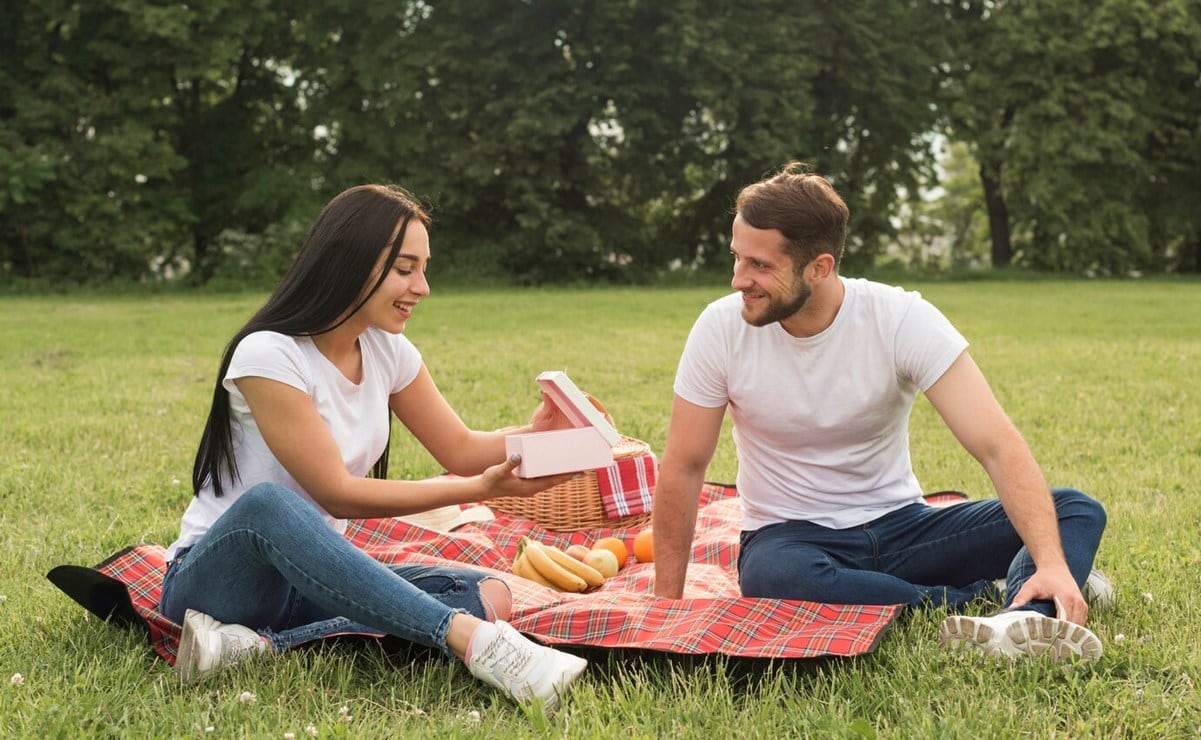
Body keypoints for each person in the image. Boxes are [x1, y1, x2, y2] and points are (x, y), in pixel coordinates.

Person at [652, 163, 1109, 661]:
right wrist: (666, 605)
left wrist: (1048, 559)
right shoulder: (720, 329)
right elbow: (685, 465)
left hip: (904, 527)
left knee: (1074, 509)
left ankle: (1027, 618)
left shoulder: (899, 318)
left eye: (760, 266)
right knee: (771, 577)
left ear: (819, 267)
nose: (739, 279)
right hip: (791, 539)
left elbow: (997, 445)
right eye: (737, 258)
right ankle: (977, 600)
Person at [159, 184, 588, 711]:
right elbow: (336, 493)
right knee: (269, 506)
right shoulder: (268, 354)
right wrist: (476, 489)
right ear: (351, 261)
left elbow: (460, 447)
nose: (423, 287)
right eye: (405, 269)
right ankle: (474, 644)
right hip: (219, 584)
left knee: (490, 593)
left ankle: (257, 648)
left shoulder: (389, 351)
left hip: (307, 584)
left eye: (424, 269)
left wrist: (544, 434)